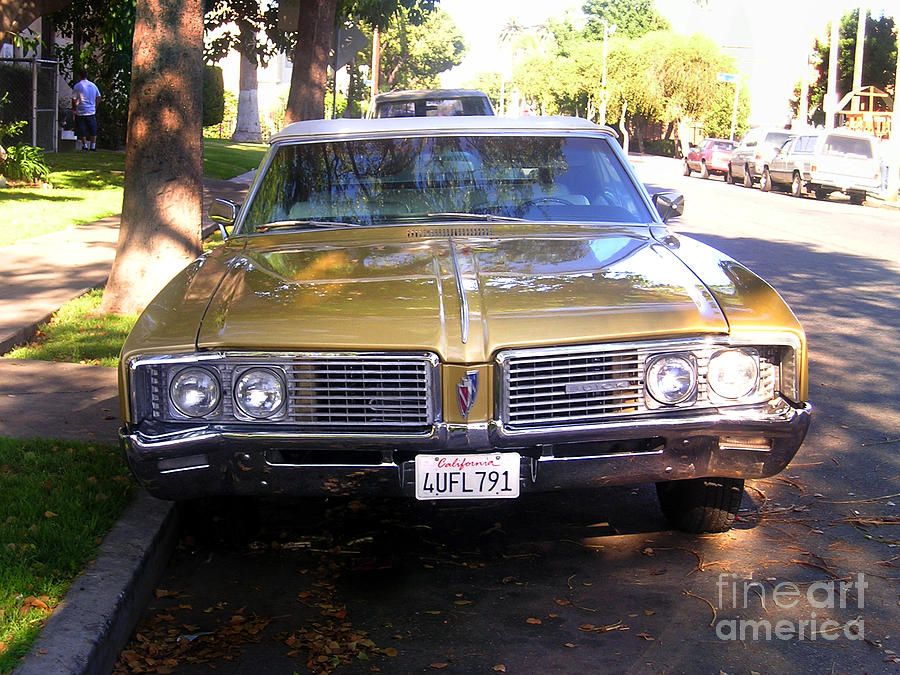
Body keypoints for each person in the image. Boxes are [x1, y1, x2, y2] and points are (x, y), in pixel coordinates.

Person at [72, 70, 100, 151]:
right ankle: (93, 146)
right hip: (91, 110)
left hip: (81, 110)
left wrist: (74, 109)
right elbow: (98, 97)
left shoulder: (78, 86)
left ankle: (84, 145)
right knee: (93, 128)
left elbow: (74, 99)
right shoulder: (93, 85)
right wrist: (95, 106)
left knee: (82, 128)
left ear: (79, 76)